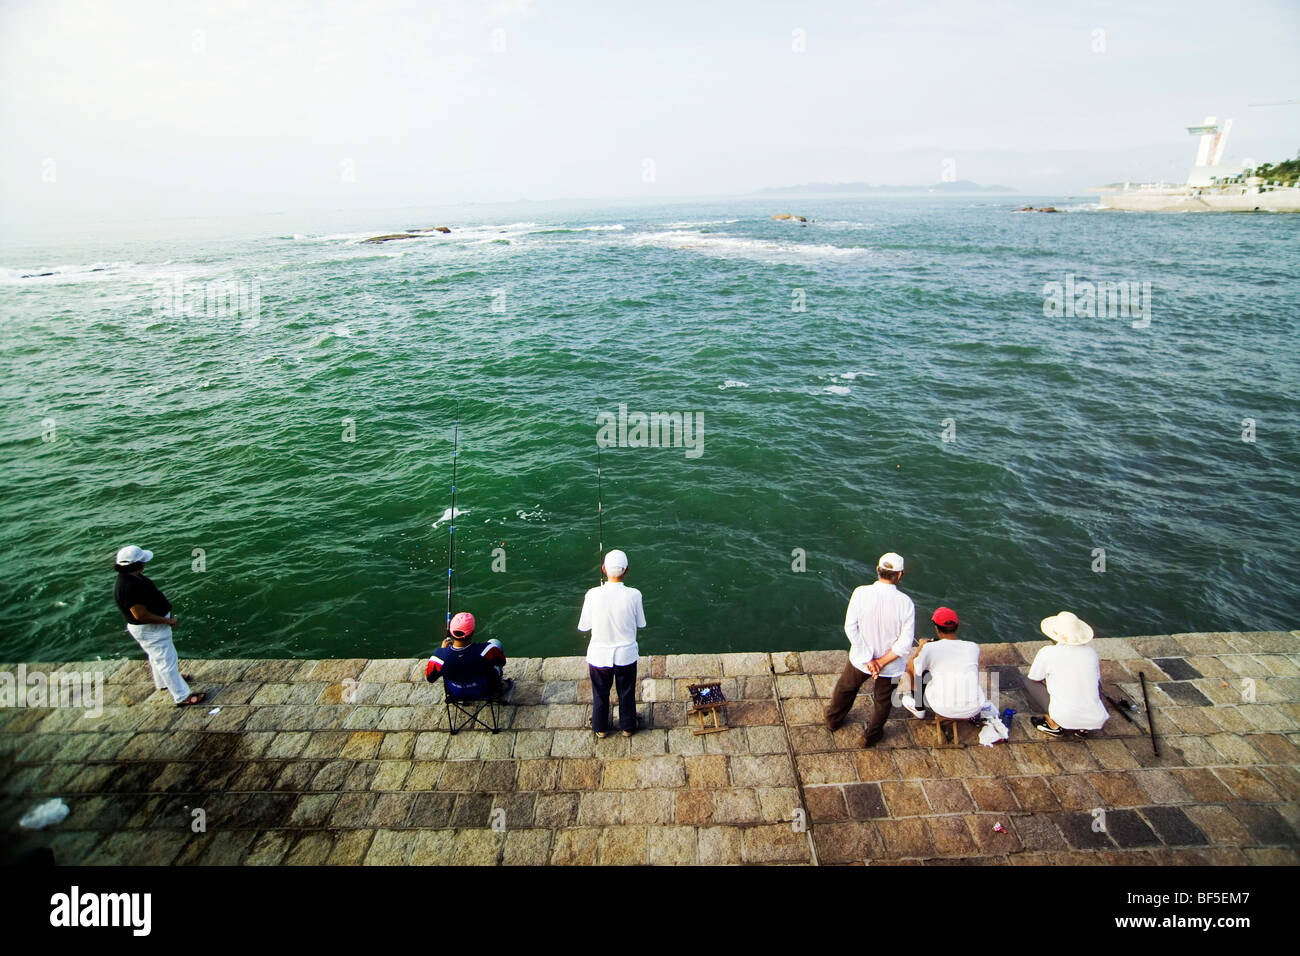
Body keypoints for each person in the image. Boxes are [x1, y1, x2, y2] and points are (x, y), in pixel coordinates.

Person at [824, 552, 915, 747]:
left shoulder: (860, 593)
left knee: (846, 688)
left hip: (861, 659)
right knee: (883, 701)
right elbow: (905, 642)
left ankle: (833, 720)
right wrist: (881, 662)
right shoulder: (906, 603)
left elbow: (850, 628)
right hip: (890, 666)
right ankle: (870, 736)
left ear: (877, 570)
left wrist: (868, 658)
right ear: (899, 575)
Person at [112, 546, 205, 707]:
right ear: (138, 564)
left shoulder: (130, 578)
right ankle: (182, 696)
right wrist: (166, 621)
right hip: (150, 629)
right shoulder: (128, 587)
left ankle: (163, 682)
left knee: (157, 657)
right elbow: (140, 615)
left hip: (147, 629)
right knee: (166, 660)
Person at [578, 549, 645, 738]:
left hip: (599, 656)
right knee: (626, 692)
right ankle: (628, 726)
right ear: (626, 570)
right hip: (626, 655)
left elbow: (584, 626)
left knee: (600, 693)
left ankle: (600, 728)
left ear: (604, 569)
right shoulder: (635, 594)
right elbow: (641, 623)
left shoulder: (592, 594)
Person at [1021, 610, 1111, 737]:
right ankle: (1082, 729)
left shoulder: (1047, 652)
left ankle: (1054, 725)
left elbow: (1034, 678)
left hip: (1064, 717)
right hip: (1096, 718)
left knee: (1026, 679)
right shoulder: (1091, 652)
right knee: (1095, 684)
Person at [899, 607, 986, 721]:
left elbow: (914, 668)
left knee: (914, 667)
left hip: (943, 708)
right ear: (957, 626)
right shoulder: (973, 647)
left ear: (937, 628)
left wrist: (921, 647)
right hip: (974, 708)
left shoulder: (930, 648)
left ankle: (919, 708)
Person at [425, 611, 511, 700]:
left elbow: (430, 678)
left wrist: (443, 650)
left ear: (451, 632)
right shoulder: (488, 650)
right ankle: (499, 686)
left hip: (456, 693)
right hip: (485, 691)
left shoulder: (439, 656)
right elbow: (502, 662)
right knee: (495, 642)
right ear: (472, 632)